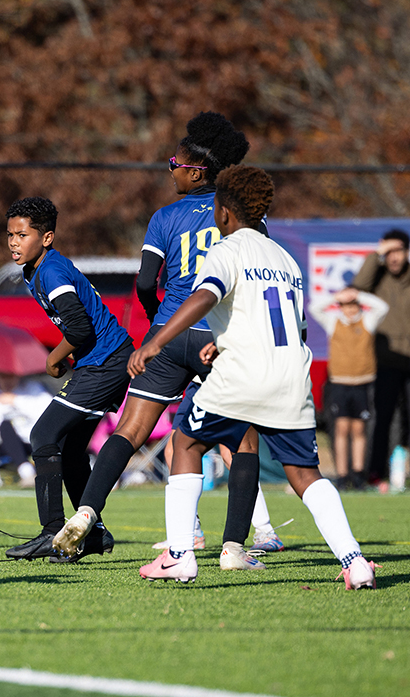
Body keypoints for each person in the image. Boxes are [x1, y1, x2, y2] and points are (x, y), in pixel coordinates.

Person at [133, 166, 376, 588]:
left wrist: (155, 342)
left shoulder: (227, 250)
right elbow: (288, 327)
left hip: (242, 376)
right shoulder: (284, 258)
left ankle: (179, 556)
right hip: (290, 377)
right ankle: (354, 562)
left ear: (224, 212)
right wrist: (221, 343)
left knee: (186, 442)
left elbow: (205, 295)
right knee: (305, 474)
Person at [55, 112, 279, 568]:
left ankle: (84, 513)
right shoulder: (238, 213)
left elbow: (144, 282)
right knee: (241, 441)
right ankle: (236, 546)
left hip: (167, 334)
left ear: (195, 170)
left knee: (130, 431)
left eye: (174, 161)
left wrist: (160, 324)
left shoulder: (165, 216)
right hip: (219, 337)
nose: (170, 167)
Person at [2, 197, 133, 562]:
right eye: (10, 234)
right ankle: (95, 536)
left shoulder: (52, 271)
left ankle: (51, 532)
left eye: (22, 234)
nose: (13, 241)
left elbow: (79, 326)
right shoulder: (36, 269)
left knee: (43, 435)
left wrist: (54, 358)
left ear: (46, 238)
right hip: (106, 359)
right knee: (72, 450)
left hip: (106, 363)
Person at [309, 287, 389, 490]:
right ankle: (342, 475)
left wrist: (358, 295)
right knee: (342, 428)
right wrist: (338, 296)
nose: (350, 309)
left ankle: (358, 473)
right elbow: (314, 307)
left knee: (359, 429)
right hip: (339, 383)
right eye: (346, 305)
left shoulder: (367, 321)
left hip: (362, 383)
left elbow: (382, 307)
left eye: (353, 305)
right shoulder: (334, 322)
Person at [349, 228, 410, 486]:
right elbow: (357, 286)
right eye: (389, 252)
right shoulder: (377, 277)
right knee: (381, 418)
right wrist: (378, 254)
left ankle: (402, 471)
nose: (394, 258)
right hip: (384, 361)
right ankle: (376, 473)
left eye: (399, 251)